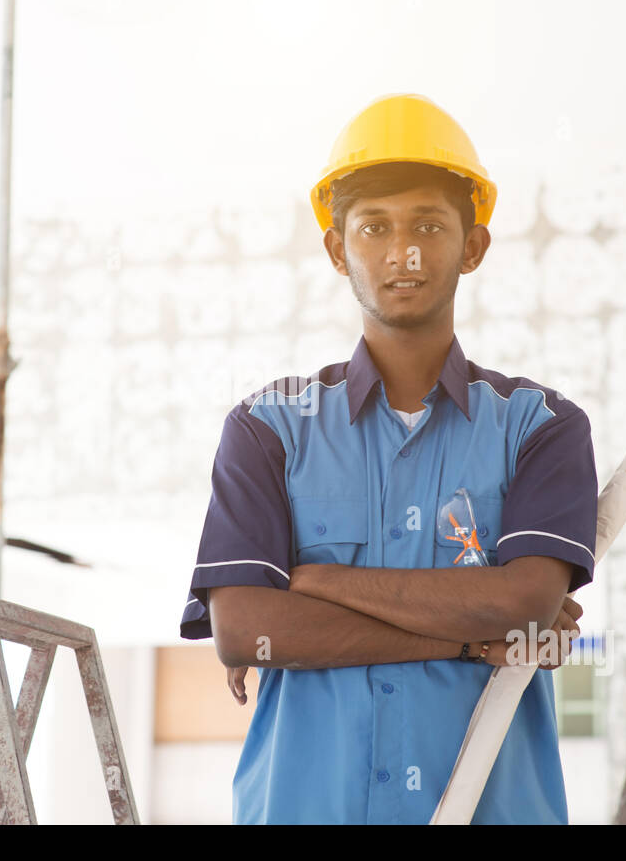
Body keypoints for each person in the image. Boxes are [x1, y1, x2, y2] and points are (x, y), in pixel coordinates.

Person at [179, 93, 598, 824]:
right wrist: (472, 635)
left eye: (429, 225)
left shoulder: (543, 427)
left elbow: (526, 603)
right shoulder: (267, 427)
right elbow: (245, 630)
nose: (402, 250)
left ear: (472, 246)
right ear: (339, 249)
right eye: (374, 227)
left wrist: (317, 581)